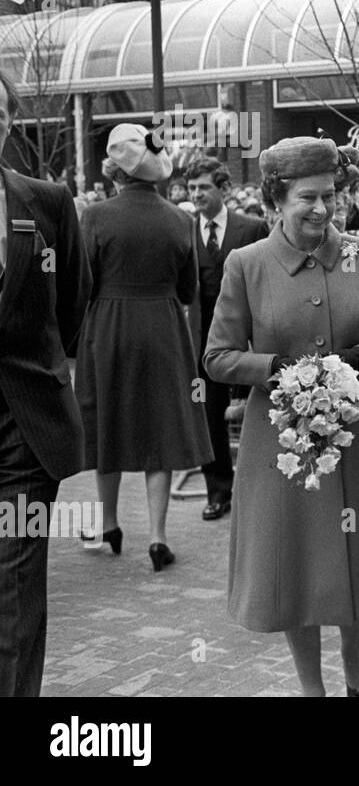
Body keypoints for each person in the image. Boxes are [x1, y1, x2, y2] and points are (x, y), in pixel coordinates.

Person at [204, 136, 359, 697]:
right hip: (281, 444)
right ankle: (310, 689)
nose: (322, 209)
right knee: (296, 566)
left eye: (331, 196)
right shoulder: (246, 265)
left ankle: (353, 660)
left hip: (356, 438)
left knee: (354, 556)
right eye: (307, 198)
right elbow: (217, 357)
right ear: (276, 199)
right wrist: (276, 369)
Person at [77, 125, 213, 572]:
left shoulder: (95, 217)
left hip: (110, 327)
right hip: (164, 327)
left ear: (114, 170)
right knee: (162, 426)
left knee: (107, 419)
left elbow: (83, 283)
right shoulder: (181, 219)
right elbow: (190, 290)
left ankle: (110, 524)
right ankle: (157, 537)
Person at [0, 72, 91, 697]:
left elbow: (70, 308)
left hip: (23, 434)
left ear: (8, 121)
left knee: (14, 594)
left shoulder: (46, 203)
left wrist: (44, 375)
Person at [186, 157, 270, 521]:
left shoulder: (251, 228)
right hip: (204, 343)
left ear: (223, 189)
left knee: (263, 409)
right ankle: (218, 491)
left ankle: (265, 488)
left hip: (250, 340)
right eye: (191, 189)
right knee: (208, 417)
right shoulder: (184, 229)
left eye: (203, 187)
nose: (196, 194)